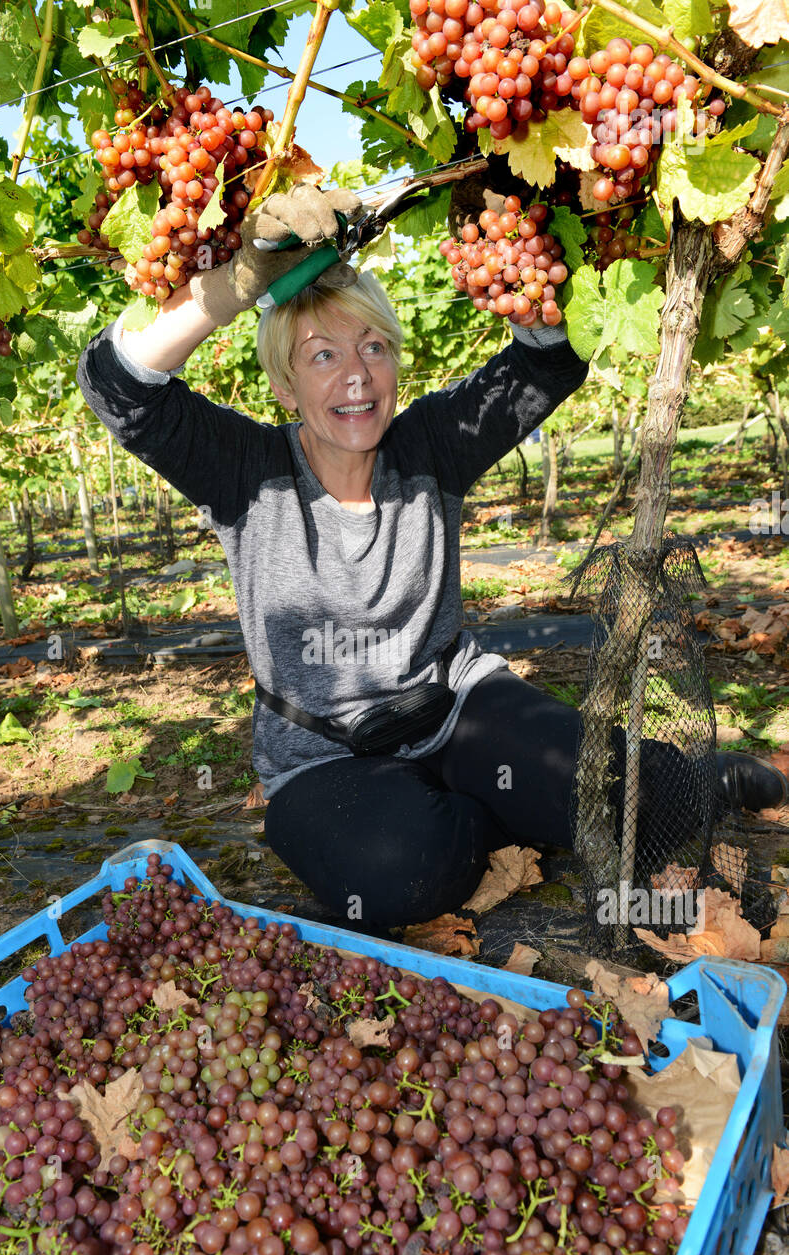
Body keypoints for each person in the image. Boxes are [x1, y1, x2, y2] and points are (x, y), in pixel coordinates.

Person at [77, 183, 787, 935]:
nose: (356, 374)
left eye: (373, 348)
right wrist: (239, 282)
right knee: (399, 879)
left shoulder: (429, 444)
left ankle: (673, 782)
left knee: (642, 804)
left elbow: (548, 366)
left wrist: (505, 250)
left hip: (456, 708)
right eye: (323, 356)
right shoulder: (245, 470)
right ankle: (491, 813)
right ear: (285, 383)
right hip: (323, 757)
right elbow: (118, 385)